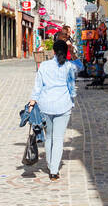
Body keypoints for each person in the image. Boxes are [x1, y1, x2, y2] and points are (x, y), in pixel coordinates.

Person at [25, 39, 77, 180]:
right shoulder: (70, 67)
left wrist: (31, 104)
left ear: (53, 51)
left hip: (46, 105)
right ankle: (54, 170)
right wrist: (72, 101)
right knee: (58, 139)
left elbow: (38, 87)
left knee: (49, 137)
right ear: (65, 52)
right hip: (63, 106)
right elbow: (72, 88)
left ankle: (49, 164)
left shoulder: (44, 66)